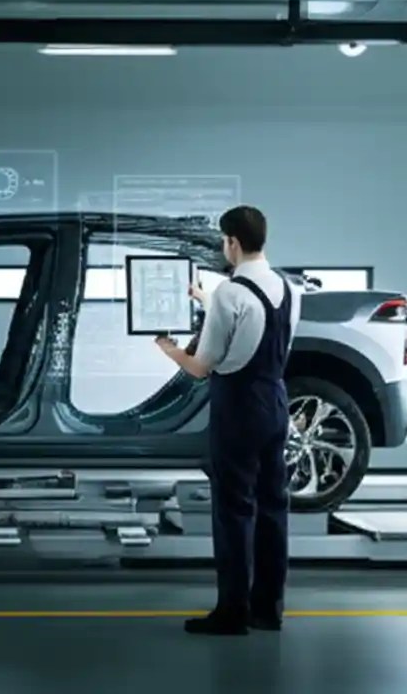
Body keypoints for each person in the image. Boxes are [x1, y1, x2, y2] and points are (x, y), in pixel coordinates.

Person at [154, 205, 302, 636]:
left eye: (224, 241)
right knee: (274, 508)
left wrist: (168, 349)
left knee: (235, 509)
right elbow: (255, 324)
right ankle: (268, 609)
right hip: (276, 400)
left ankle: (231, 613)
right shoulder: (288, 288)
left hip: (238, 407)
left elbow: (202, 367)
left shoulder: (230, 294)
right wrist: (206, 300)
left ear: (232, 242)